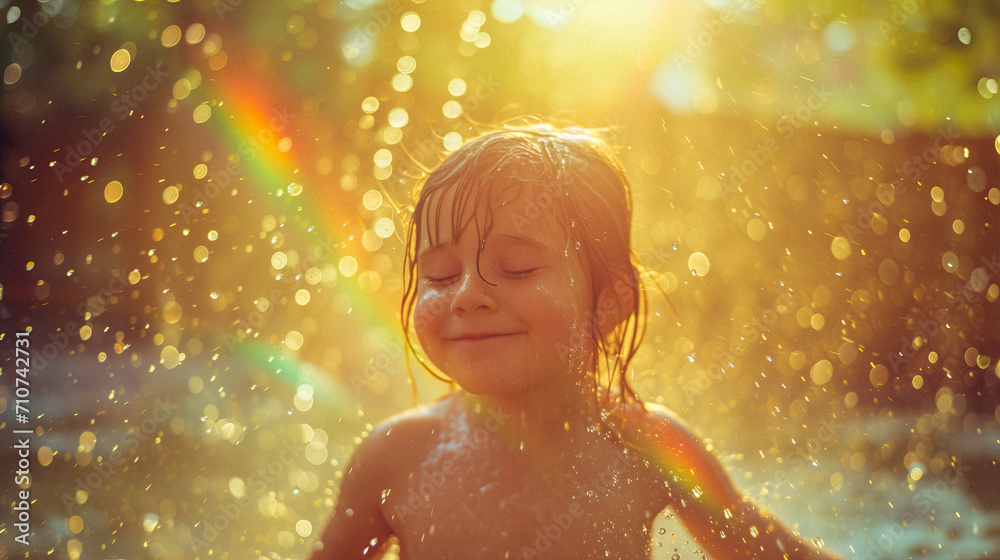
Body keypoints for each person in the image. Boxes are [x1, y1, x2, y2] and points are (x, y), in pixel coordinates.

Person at [311, 124, 843, 559]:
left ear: (608, 300)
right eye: (441, 275)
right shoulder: (397, 456)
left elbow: (769, 554)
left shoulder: (647, 447)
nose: (468, 295)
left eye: (517, 268)